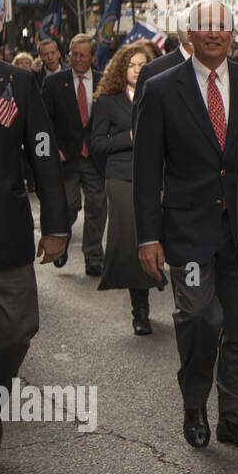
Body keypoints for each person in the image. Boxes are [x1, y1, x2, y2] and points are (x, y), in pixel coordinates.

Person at [134, 0, 238, 450]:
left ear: (232, 34)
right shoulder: (159, 88)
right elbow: (146, 167)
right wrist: (148, 236)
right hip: (188, 229)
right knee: (197, 314)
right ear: (189, 34)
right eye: (203, 28)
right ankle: (193, 403)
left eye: (221, 28)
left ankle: (233, 415)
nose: (213, 34)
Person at [0, 55, 69, 456]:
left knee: (17, 330)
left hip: (4, 233)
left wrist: (56, 225)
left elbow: (43, 152)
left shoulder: (17, 81)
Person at [90, 43, 161, 335]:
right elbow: (97, 143)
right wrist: (130, 135)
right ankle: (140, 311)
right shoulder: (107, 101)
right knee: (135, 242)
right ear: (122, 68)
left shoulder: (161, 94)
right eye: (131, 65)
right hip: (122, 178)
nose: (137, 70)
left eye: (143, 64)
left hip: (161, 177)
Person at [42, 34, 107, 275]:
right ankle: (62, 243)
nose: (77, 59)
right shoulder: (54, 83)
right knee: (68, 206)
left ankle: (93, 256)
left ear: (92, 56)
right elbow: (44, 120)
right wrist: (53, 148)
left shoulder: (105, 82)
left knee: (98, 208)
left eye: (83, 55)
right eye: (74, 54)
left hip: (95, 157)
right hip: (66, 155)